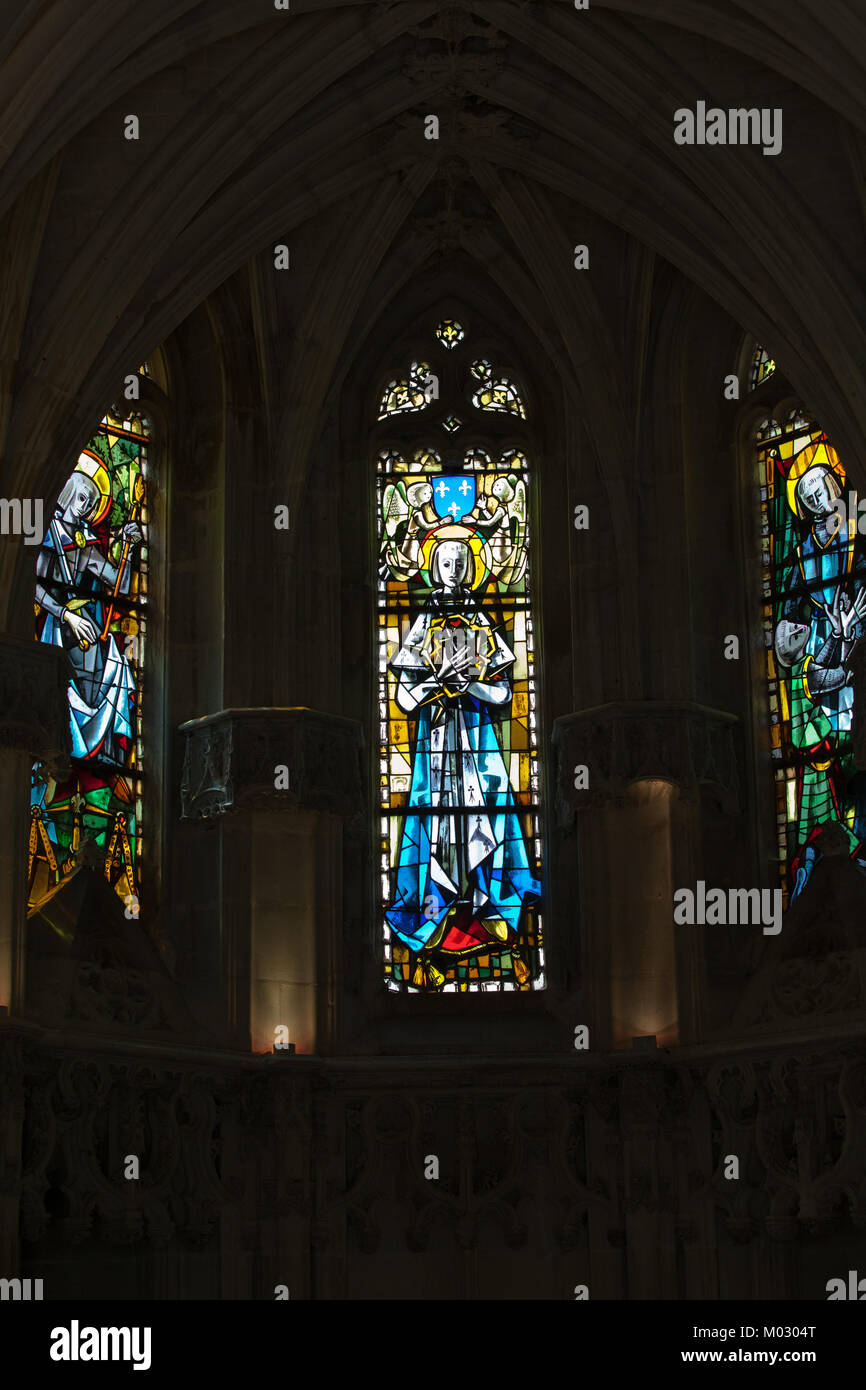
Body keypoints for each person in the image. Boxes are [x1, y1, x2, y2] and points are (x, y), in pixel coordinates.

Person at [384, 536, 540, 985]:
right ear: (434, 568)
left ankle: (492, 929)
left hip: (476, 740)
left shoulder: (479, 621)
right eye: (444, 562)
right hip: (435, 739)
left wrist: (468, 685)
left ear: (470, 567)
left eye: (460, 561)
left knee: (482, 825)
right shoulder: (423, 622)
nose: (452, 569)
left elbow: (503, 692)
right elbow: (404, 697)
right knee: (438, 832)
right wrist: (437, 683)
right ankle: (435, 939)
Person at [35, 449, 142, 765]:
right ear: (67, 493)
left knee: (117, 666)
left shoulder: (86, 545)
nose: (88, 508)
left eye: (93, 503)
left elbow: (120, 586)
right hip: (59, 630)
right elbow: (34, 586)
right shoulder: (48, 536)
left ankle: (105, 756)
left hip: (87, 637)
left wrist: (128, 548)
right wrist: (66, 615)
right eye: (83, 498)